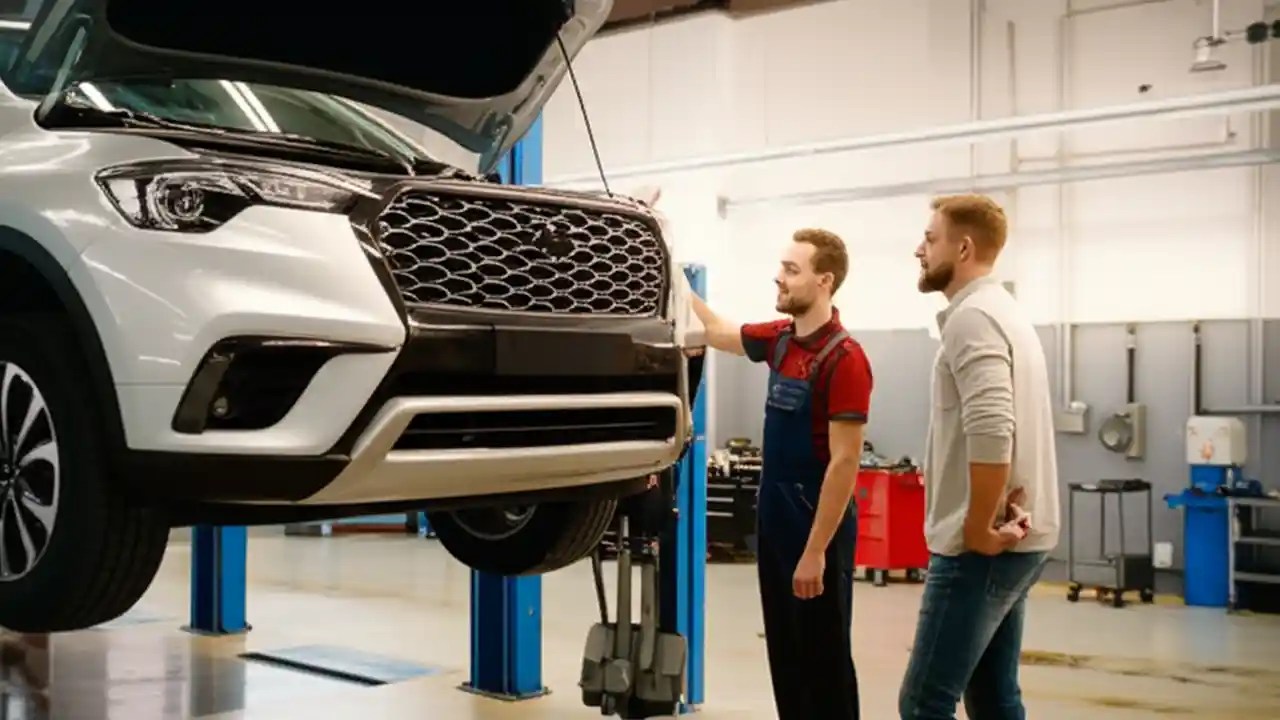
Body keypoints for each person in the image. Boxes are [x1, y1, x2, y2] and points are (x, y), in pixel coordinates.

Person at [688, 228, 871, 720]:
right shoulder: (781, 339)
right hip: (775, 521)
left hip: (817, 527)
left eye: (792, 269)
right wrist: (669, 272)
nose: (779, 276)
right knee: (787, 658)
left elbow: (844, 463)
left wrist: (814, 553)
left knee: (824, 661)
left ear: (824, 280)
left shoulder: (845, 359)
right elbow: (718, 331)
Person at [898, 194, 1061, 720]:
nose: (919, 249)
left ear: (963, 247)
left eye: (930, 238)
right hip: (1015, 536)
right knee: (993, 697)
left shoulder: (974, 318)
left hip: (981, 547)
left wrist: (976, 530)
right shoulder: (1005, 313)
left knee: (924, 703)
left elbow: (993, 429)